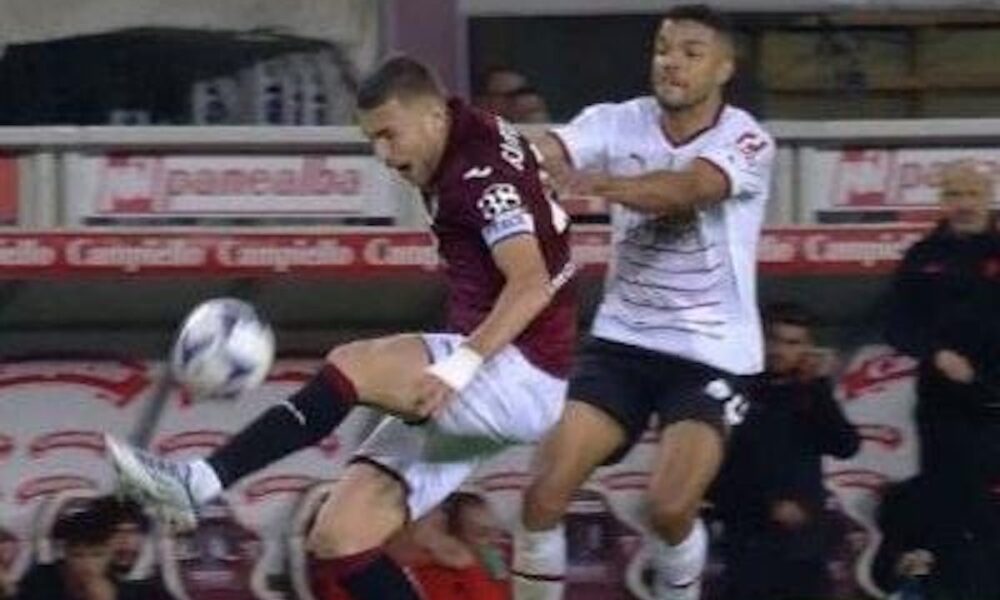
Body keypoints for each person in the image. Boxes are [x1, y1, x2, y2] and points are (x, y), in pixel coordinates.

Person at [105, 54, 576, 600]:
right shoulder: (464, 137)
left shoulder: (477, 174)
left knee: (355, 365)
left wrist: (460, 365)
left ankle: (200, 482)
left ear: (433, 117)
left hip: (518, 368)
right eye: (372, 139)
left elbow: (531, 285)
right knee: (340, 536)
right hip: (496, 375)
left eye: (390, 135)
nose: (383, 154)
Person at [509, 5, 775, 599]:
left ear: (724, 68)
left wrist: (597, 184)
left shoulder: (747, 138)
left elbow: (688, 189)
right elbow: (551, 148)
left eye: (691, 52)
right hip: (623, 343)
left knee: (669, 508)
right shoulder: (616, 121)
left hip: (712, 354)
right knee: (542, 494)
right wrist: (533, 161)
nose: (671, 63)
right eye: (662, 49)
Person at [884, 160, 1000, 598]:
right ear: (941, 200)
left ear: (989, 197)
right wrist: (936, 353)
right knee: (947, 513)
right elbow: (896, 324)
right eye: (954, 194)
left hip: (995, 407)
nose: (964, 204)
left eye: (972, 194)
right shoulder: (922, 256)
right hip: (943, 411)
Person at [711, 303, 860, 600]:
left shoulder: (809, 395)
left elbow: (845, 446)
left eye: (792, 343)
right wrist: (766, 505)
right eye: (773, 339)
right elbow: (714, 473)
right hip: (748, 543)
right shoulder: (733, 392)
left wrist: (819, 386)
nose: (779, 350)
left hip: (804, 547)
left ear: (807, 349)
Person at [386, 492, 508, 600]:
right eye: (482, 533)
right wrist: (468, 567)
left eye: (496, 531)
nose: (494, 540)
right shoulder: (434, 573)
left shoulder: (493, 562)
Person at [16, 506, 145, 600]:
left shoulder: (127, 592)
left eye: (97, 555)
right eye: (77, 555)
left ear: (110, 553)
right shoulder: (41, 579)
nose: (87, 564)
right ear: (66, 553)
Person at [89, 496, 172, 599]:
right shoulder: (86, 586)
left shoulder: (159, 585)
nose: (125, 540)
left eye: (133, 532)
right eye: (115, 532)